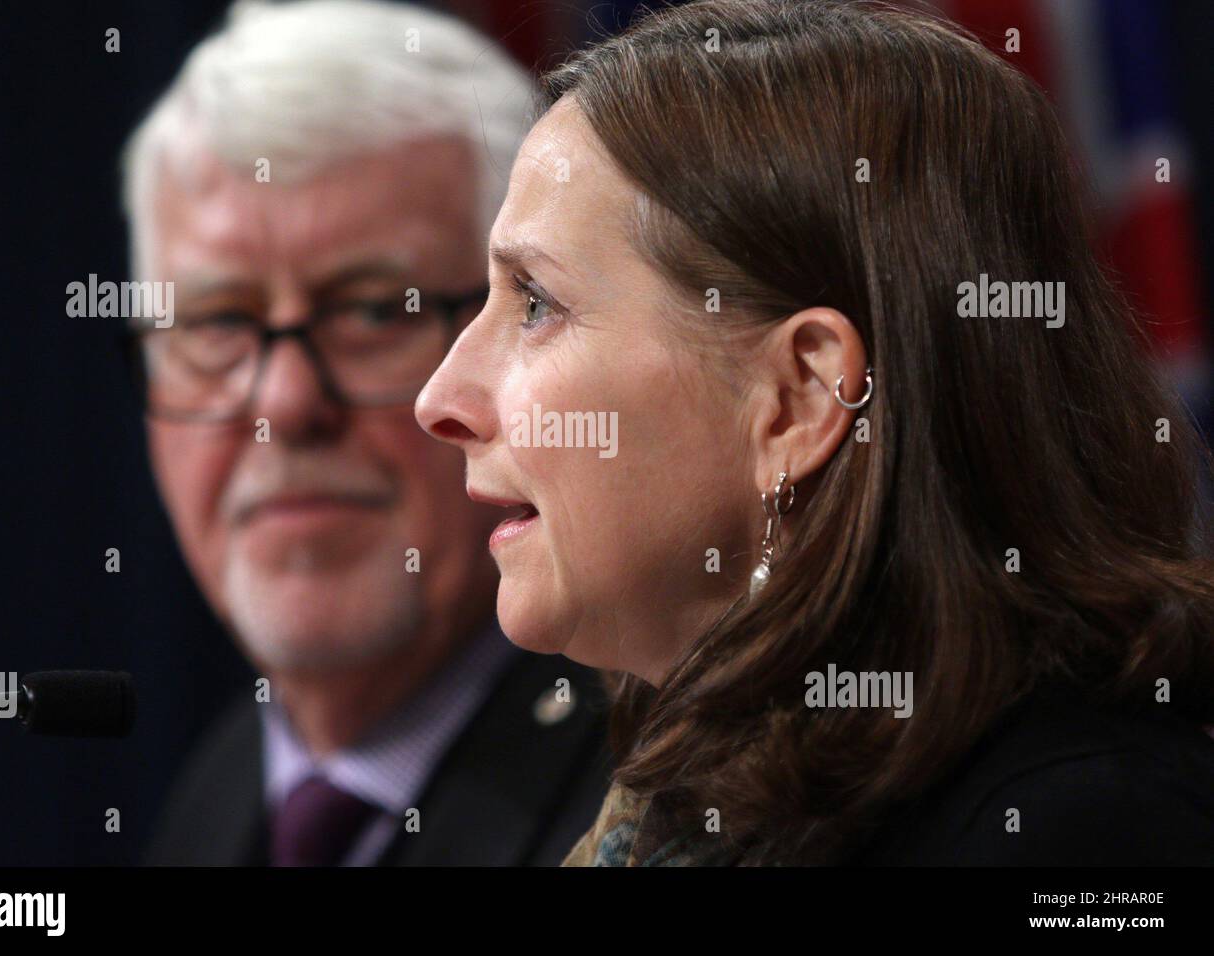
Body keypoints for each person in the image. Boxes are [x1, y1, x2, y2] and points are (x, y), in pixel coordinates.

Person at [415, 0, 1214, 865]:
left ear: (799, 397)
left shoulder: (1089, 841)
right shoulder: (679, 804)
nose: (441, 399)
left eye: (537, 304)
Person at [122, 0, 609, 866]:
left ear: (534, 328)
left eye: (376, 311)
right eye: (215, 322)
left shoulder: (664, 800)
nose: (283, 403)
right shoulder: (214, 789)